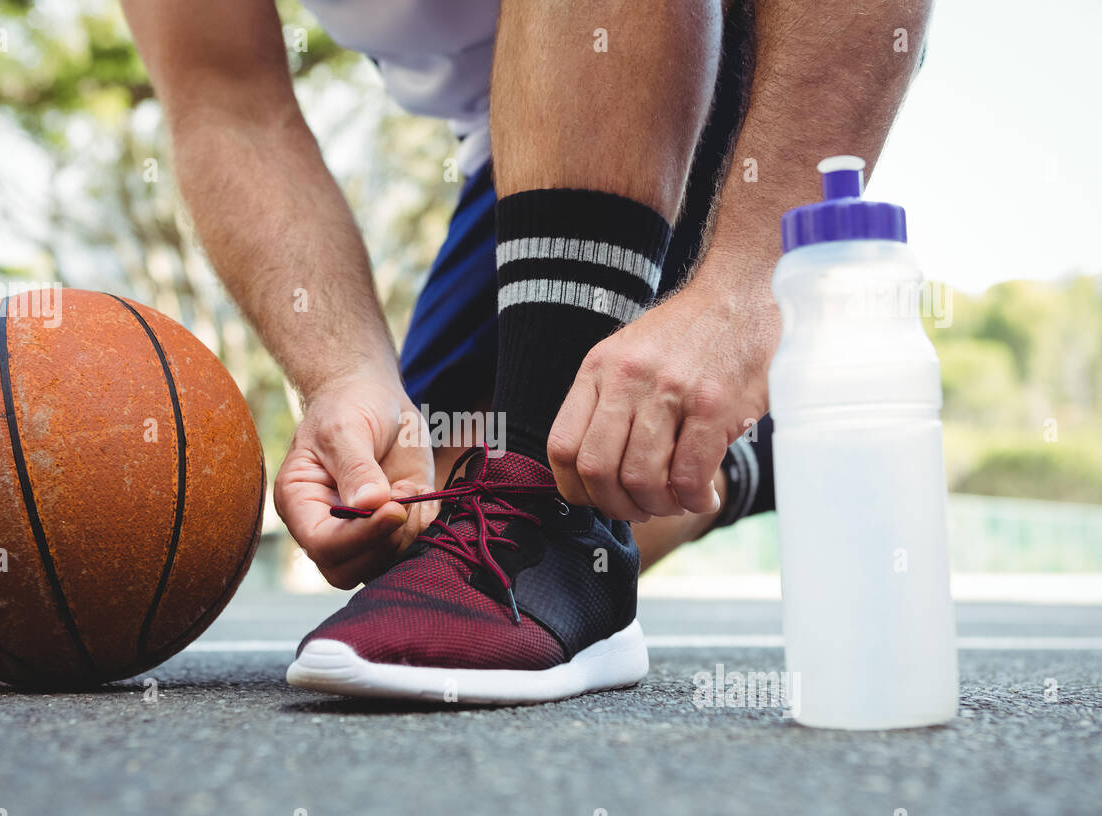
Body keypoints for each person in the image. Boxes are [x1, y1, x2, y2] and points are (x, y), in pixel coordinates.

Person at [122, 0, 930, 703]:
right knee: (420, 517)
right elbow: (227, 103)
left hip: (751, 66)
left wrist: (750, 288)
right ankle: (745, 450)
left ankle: (553, 513)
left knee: (506, 524)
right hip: (527, 127)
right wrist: (343, 376)